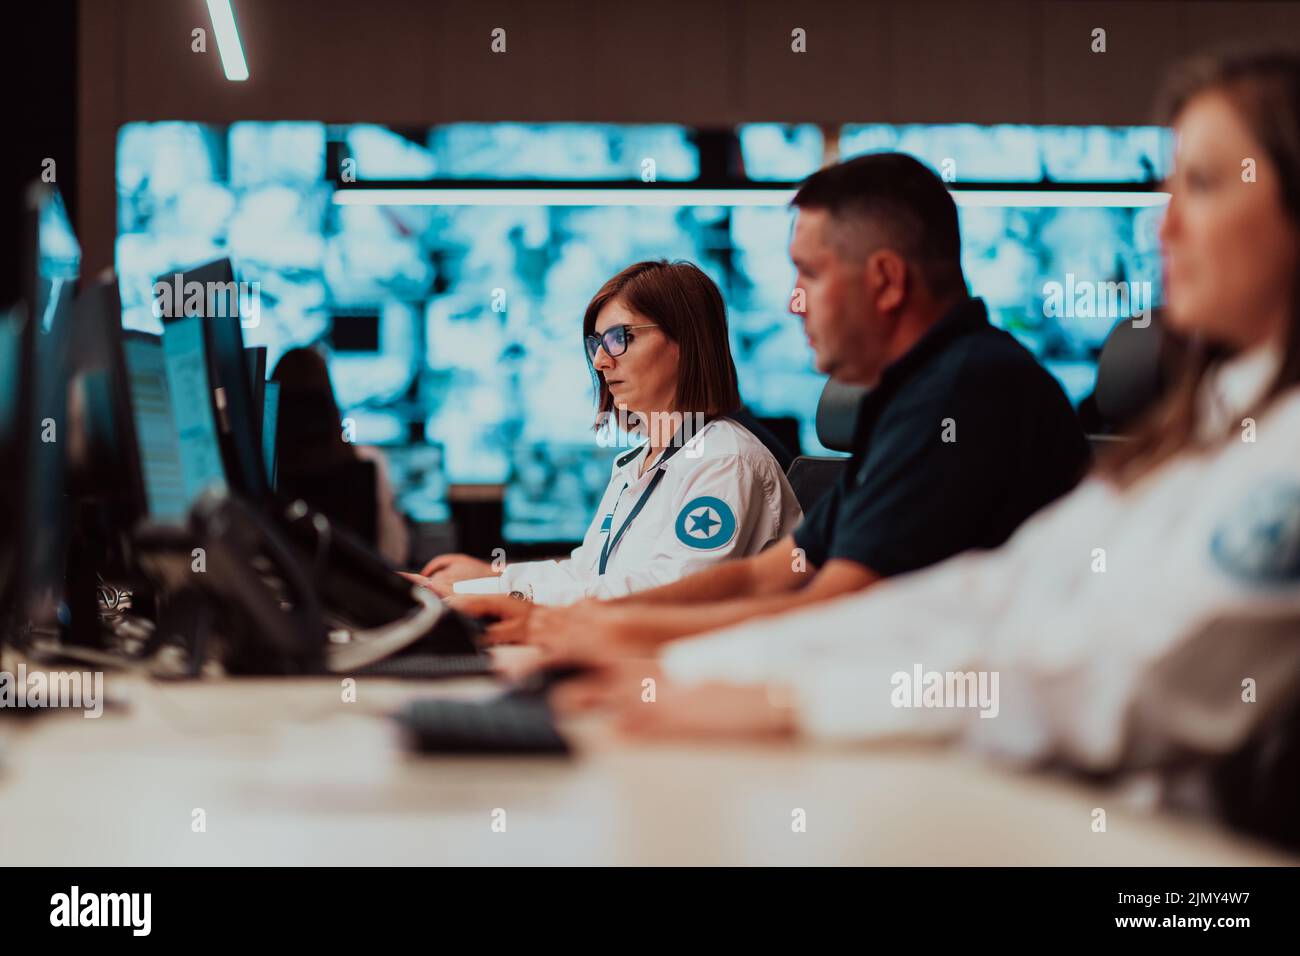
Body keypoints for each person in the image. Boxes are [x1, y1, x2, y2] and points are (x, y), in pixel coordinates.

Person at [549, 50, 1300, 793]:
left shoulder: (974, 392)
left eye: (1202, 185)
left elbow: (1103, 681)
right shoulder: (1206, 431)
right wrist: (674, 659)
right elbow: (985, 596)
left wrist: (781, 696)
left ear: (883, 280)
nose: (1162, 226)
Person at [471, 153, 1091, 649]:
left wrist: (593, 629)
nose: (795, 303)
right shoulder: (911, 396)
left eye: (809, 275)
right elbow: (767, 575)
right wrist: (576, 622)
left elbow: (832, 603)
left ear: (885, 281)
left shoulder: (966, 392)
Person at [411, 259, 802, 609]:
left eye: (619, 338)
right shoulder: (637, 462)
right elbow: (589, 575)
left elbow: (666, 596)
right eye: (597, 343)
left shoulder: (723, 461)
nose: (600, 360)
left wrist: (484, 594)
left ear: (683, 340)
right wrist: (478, 583)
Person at [271, 347, 410, 565]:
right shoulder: (368, 462)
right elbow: (393, 555)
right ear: (329, 400)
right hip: (356, 594)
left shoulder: (261, 474)